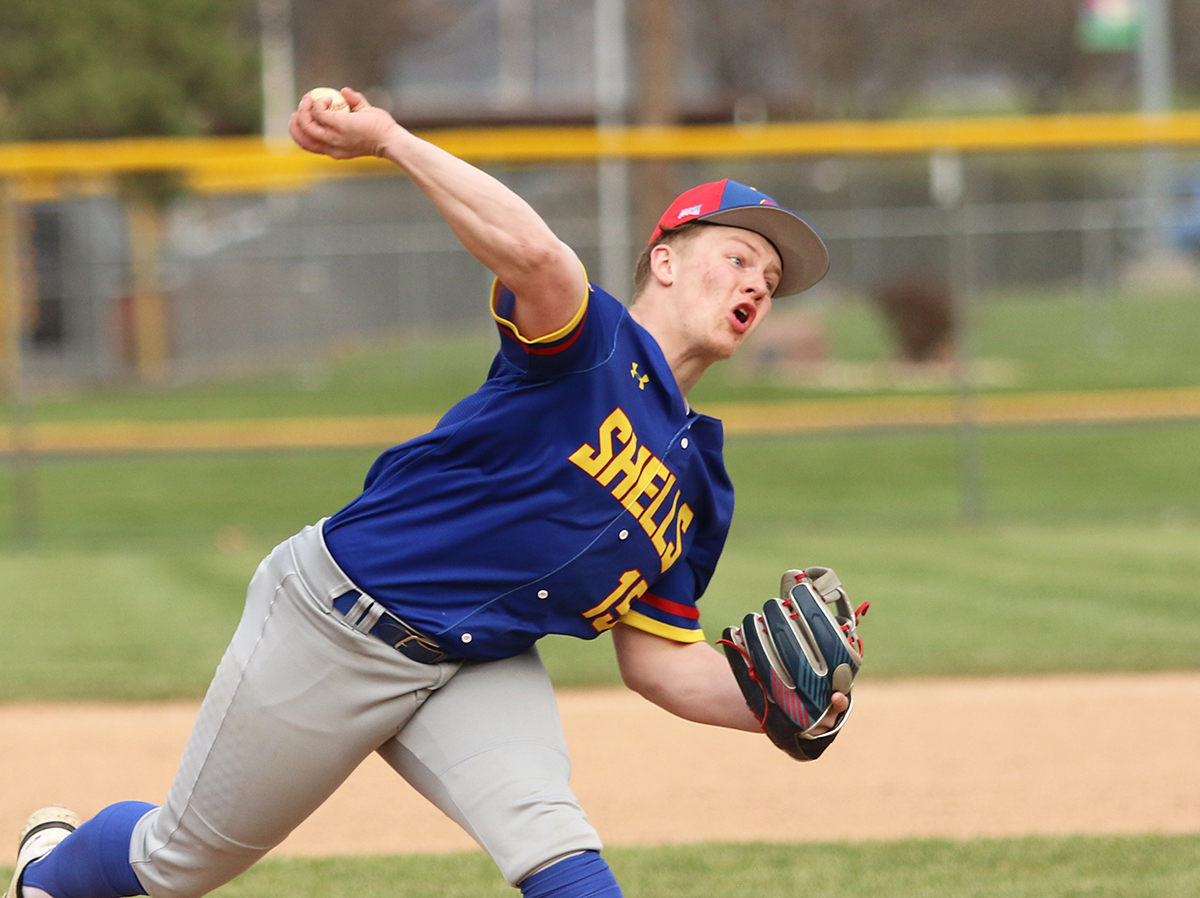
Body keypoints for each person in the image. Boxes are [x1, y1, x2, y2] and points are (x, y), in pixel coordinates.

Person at [5, 87, 845, 898]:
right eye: (738, 258)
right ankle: (47, 871)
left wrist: (784, 709)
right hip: (339, 622)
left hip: (480, 659)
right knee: (175, 864)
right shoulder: (591, 345)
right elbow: (537, 257)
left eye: (768, 281)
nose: (755, 286)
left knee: (556, 845)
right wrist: (390, 142)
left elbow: (660, 662)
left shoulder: (700, 479)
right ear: (664, 260)